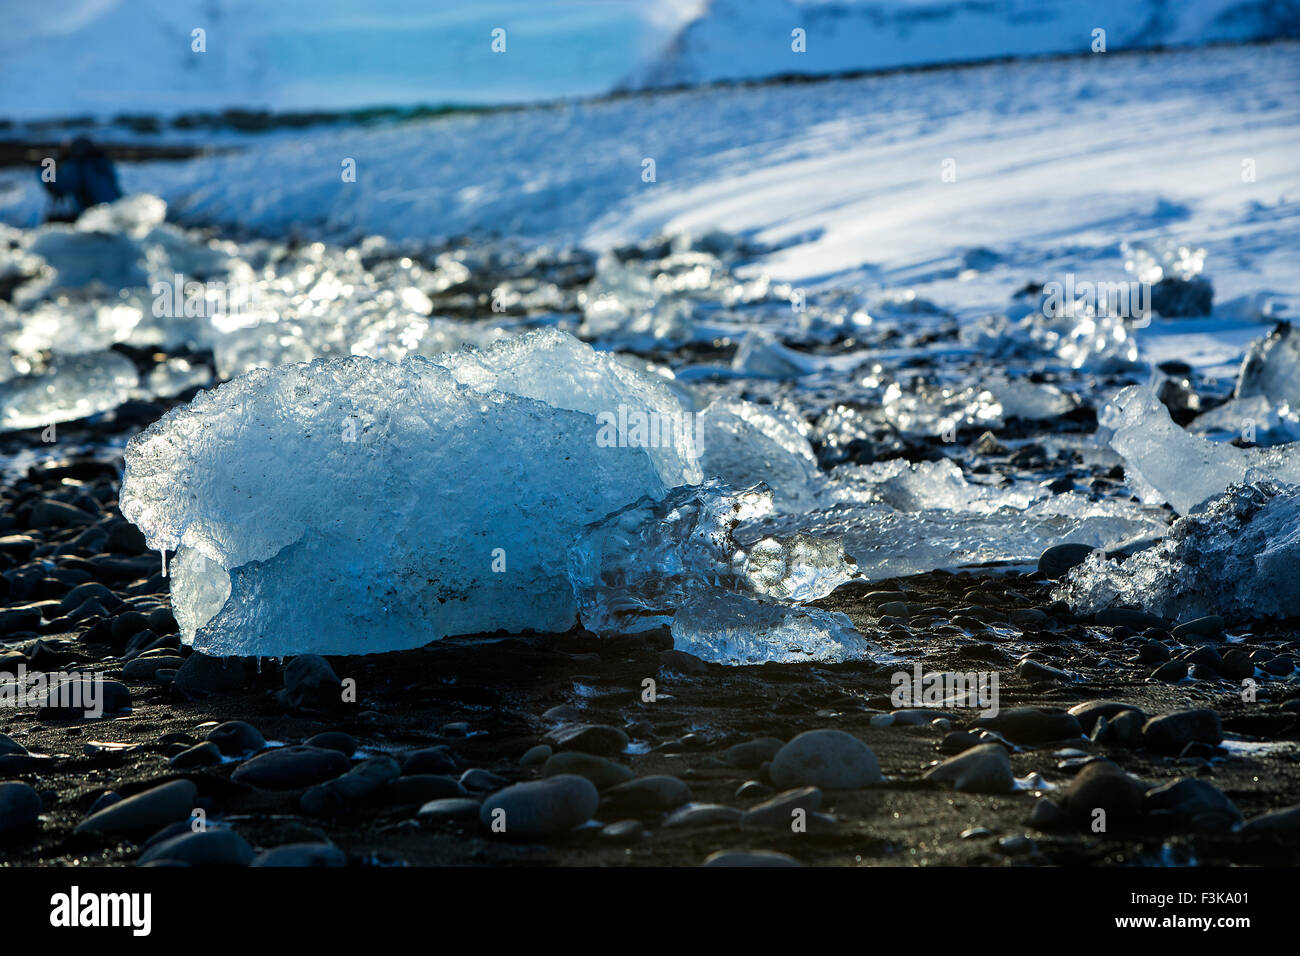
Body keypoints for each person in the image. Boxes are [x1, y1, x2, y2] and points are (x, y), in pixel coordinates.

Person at [39, 137, 123, 221]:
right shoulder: (104, 163)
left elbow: (57, 186)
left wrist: (44, 167)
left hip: (94, 216)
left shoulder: (79, 166)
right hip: (116, 209)